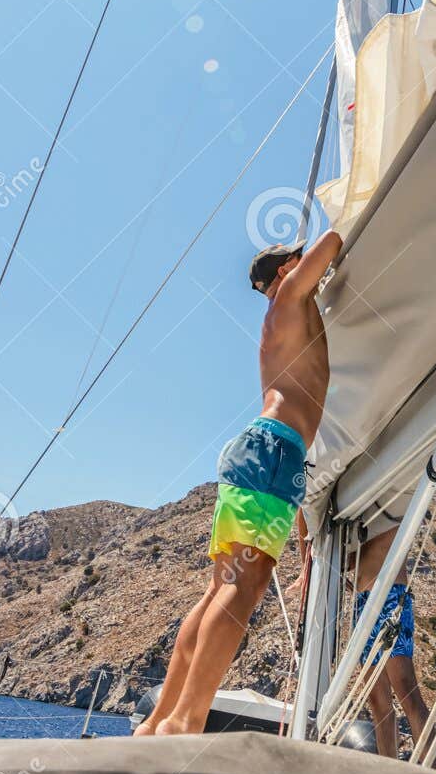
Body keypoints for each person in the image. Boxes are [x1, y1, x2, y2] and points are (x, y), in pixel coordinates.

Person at [135, 230, 342, 736]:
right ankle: (186, 719)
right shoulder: (291, 296)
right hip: (275, 451)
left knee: (217, 591)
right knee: (241, 588)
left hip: (263, 452)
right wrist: (305, 261)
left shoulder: (285, 315)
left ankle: (164, 717)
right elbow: (334, 240)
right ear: (286, 270)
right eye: (294, 263)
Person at [352, 527, 436, 765]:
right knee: (377, 700)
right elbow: (350, 561)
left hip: (391, 596)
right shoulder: (360, 509)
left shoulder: (392, 500)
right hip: (363, 602)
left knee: (406, 690)